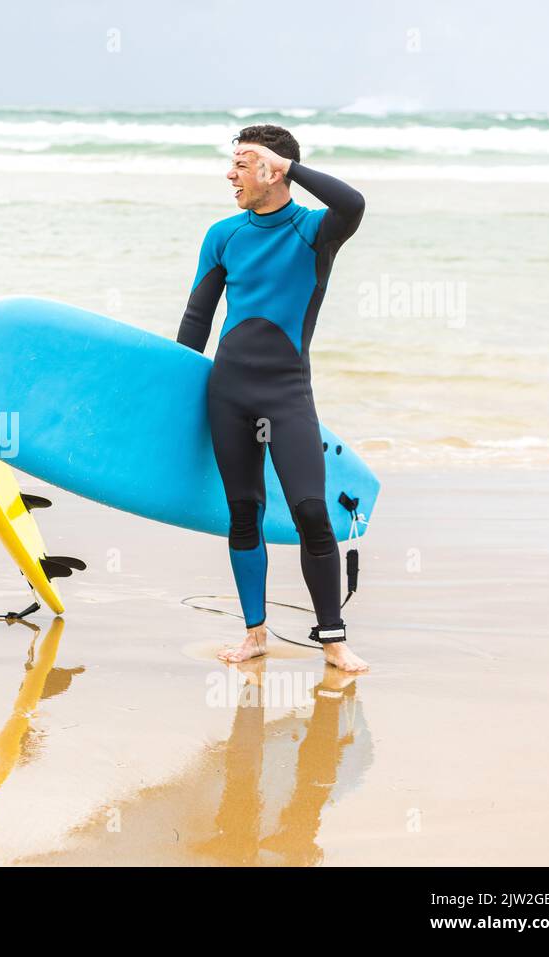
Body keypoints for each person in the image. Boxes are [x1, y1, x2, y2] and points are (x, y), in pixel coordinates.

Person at [176, 124, 368, 672]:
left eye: (242, 164)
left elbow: (353, 203)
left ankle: (333, 639)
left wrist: (289, 167)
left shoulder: (315, 231)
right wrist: (172, 393)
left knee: (312, 511)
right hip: (228, 394)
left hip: (287, 394)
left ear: (271, 170)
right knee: (244, 513)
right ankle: (254, 633)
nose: (230, 175)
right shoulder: (223, 235)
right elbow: (196, 318)